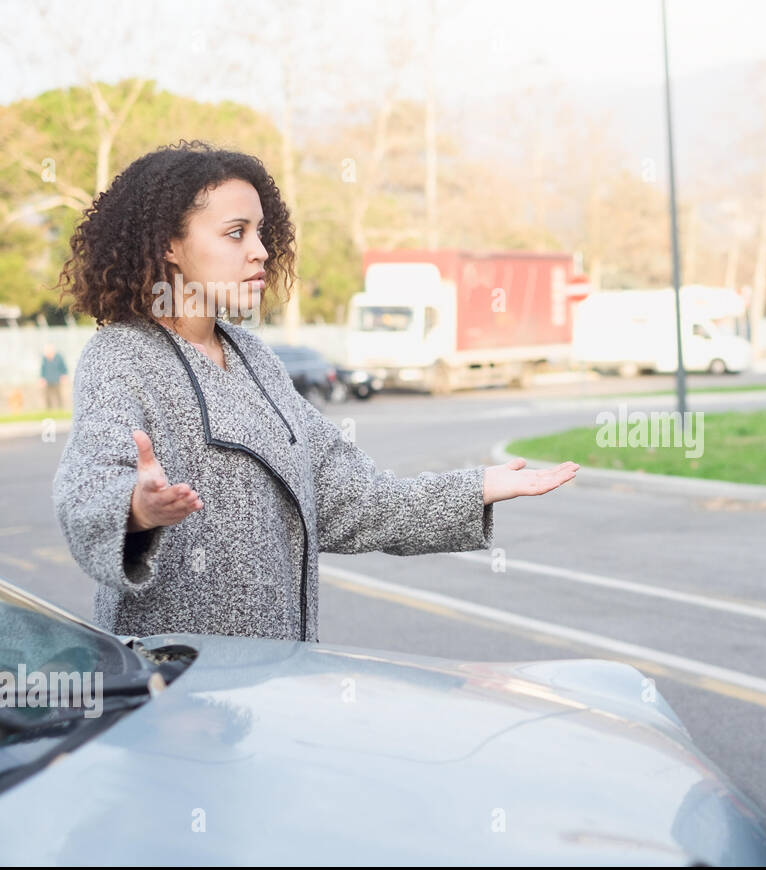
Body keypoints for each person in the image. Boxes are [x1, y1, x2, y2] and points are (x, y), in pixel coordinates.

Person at [51, 140, 579, 644]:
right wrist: (134, 511)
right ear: (169, 244)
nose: (260, 251)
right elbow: (87, 492)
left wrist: (476, 487)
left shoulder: (256, 358)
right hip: (180, 695)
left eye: (261, 232)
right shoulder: (122, 355)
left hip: (278, 681)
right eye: (236, 233)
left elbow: (349, 500)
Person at [40, 344, 67, 409]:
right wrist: (42, 379)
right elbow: (43, 369)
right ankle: (49, 409)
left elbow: (63, 367)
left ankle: (60, 408)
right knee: (47, 396)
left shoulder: (59, 357)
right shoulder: (44, 358)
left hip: (57, 379)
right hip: (48, 379)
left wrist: (64, 376)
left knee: (59, 395)